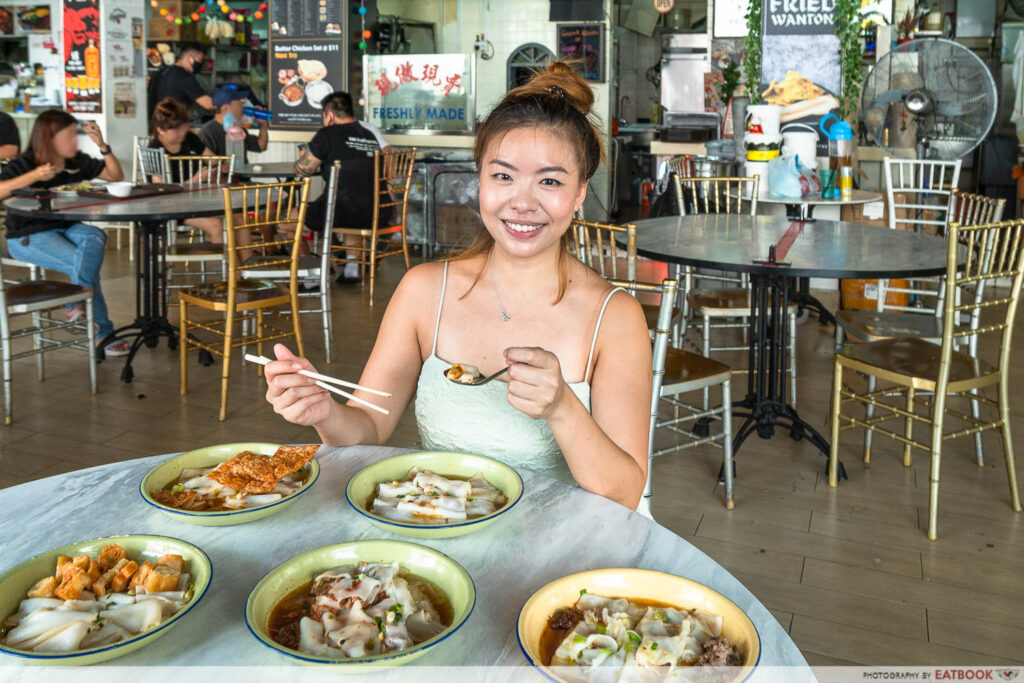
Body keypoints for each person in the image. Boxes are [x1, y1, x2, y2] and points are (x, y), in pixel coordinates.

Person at [263, 63, 652, 509]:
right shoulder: (424, 291)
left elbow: (625, 492)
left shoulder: (614, 316)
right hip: (436, 533)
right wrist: (325, 413)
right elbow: (368, 428)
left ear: (581, 191)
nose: (521, 203)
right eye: (502, 176)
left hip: (556, 553)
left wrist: (562, 407)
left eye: (549, 181)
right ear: (479, 180)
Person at [0, 111, 129, 356]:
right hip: (26, 235)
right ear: (50, 138)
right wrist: (33, 176)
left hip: (65, 227)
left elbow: (115, 176)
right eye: (69, 136)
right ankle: (103, 333)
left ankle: (75, 302)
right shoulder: (25, 163)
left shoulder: (73, 162)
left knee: (95, 238)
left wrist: (102, 146)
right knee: (82, 262)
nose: (74, 142)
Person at [147, 97, 253, 261]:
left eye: (184, 127)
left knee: (240, 216)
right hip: (171, 208)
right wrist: (195, 180)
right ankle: (231, 277)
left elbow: (212, 159)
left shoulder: (190, 139)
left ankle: (247, 265)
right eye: (177, 130)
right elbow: (162, 192)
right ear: (160, 130)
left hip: (197, 201)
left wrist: (221, 165)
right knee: (217, 224)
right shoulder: (155, 150)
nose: (183, 132)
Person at [292, 91, 383, 281]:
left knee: (286, 220)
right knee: (348, 212)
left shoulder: (327, 134)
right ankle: (351, 268)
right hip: (375, 211)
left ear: (329, 115)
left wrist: (301, 159)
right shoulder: (368, 134)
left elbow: (304, 170)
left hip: (340, 211)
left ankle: (313, 273)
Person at [197, 85, 268, 164]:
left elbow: (261, 146)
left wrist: (263, 125)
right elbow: (206, 166)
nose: (241, 108)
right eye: (238, 105)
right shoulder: (208, 132)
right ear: (224, 107)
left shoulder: (236, 128)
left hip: (241, 175)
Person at [147, 44, 214, 118]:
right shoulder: (185, 77)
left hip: (154, 124)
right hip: (173, 124)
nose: (200, 64)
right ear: (189, 58)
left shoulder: (160, 73)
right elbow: (209, 104)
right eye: (200, 60)